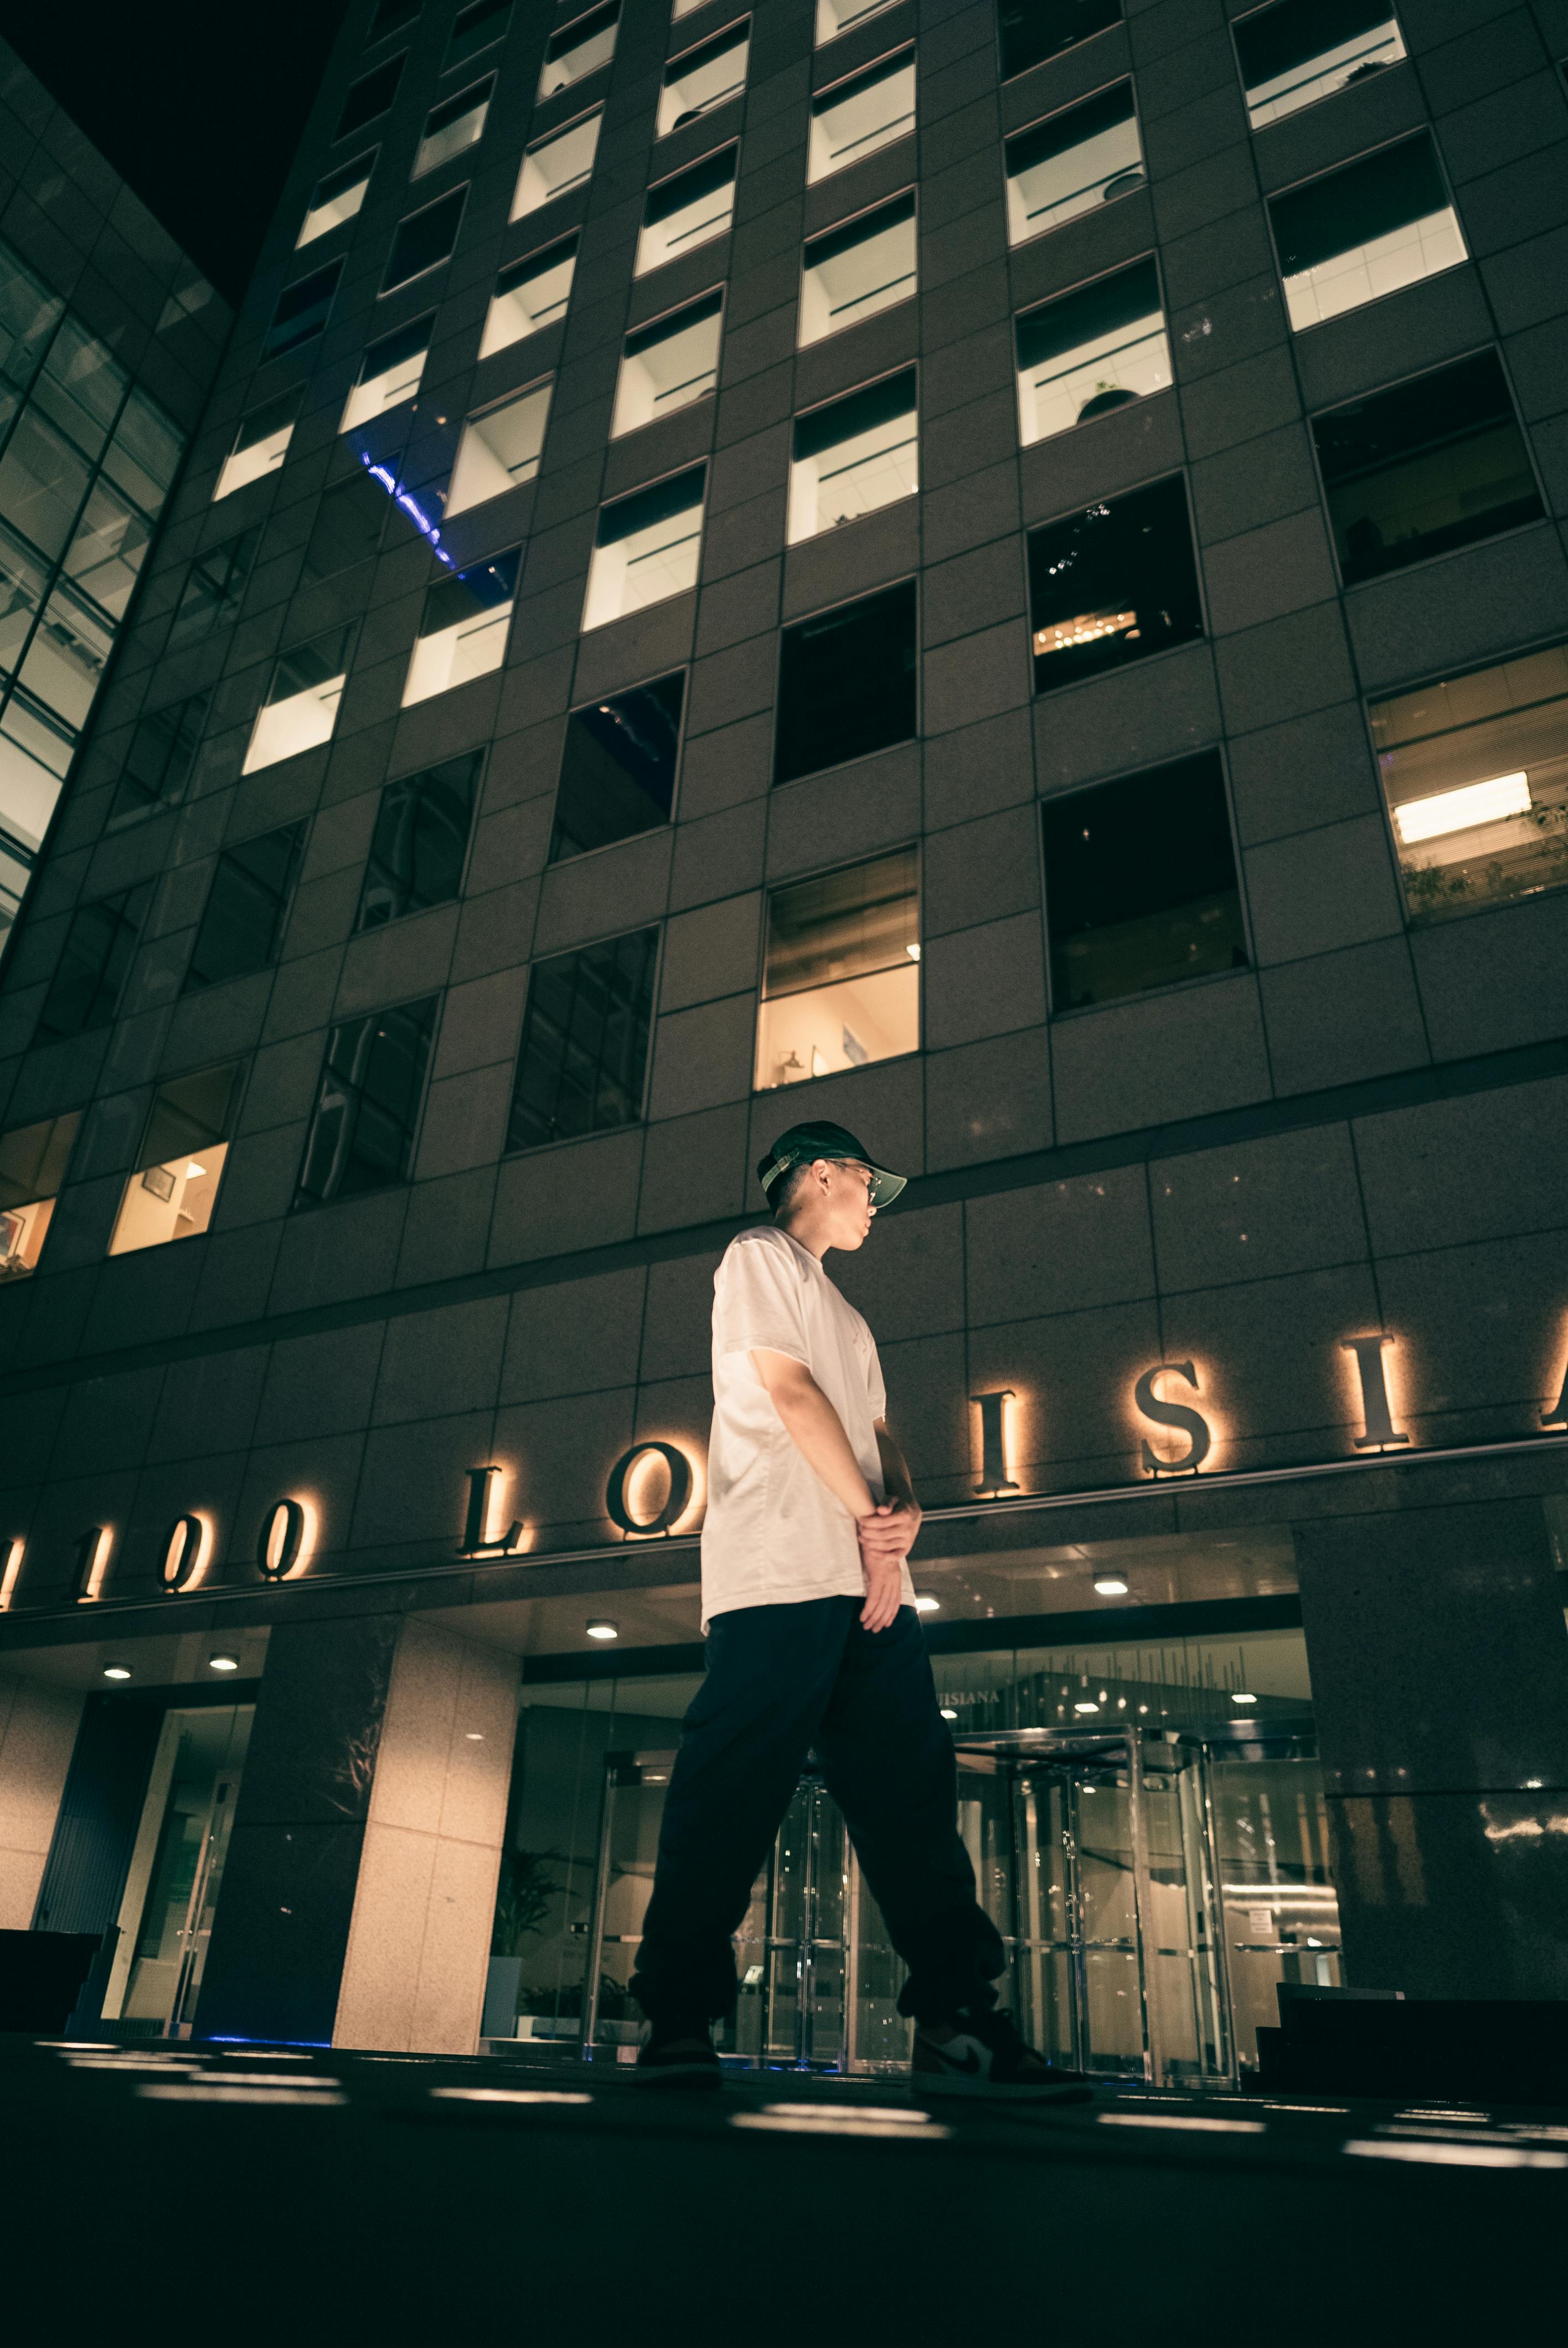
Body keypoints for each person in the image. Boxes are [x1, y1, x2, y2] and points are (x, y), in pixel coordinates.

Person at [629, 1118, 1093, 2102]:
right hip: (775, 1575)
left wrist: (904, 1511)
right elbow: (791, 1397)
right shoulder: (759, 1257)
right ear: (824, 1174)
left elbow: (877, 1432)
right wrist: (876, 1525)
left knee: (910, 1794)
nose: (875, 1208)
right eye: (867, 1189)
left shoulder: (847, 1313)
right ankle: (675, 2018)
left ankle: (957, 2020)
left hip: (867, 1581)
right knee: (733, 1788)